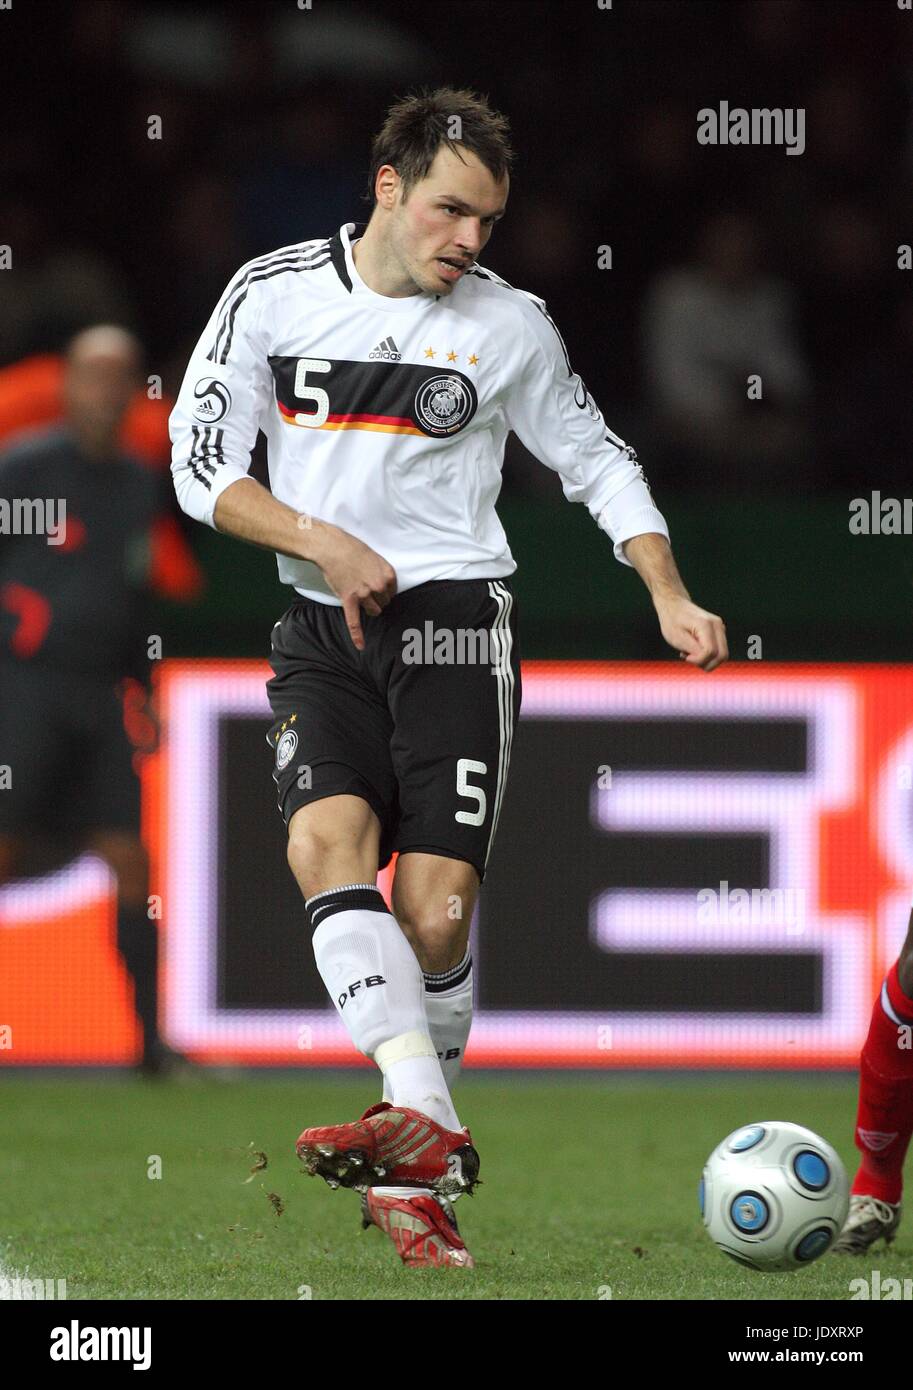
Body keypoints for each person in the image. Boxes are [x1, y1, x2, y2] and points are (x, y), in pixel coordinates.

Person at [169, 87, 728, 1268]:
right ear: (387, 188)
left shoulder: (507, 325)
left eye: (485, 220)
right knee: (323, 845)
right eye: (448, 212)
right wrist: (319, 540)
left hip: (457, 631)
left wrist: (666, 589)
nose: (467, 240)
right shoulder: (271, 293)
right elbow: (198, 463)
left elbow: (594, 458)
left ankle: (421, 1147)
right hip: (322, 624)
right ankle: (428, 1157)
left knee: (431, 912)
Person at [0, 326, 185, 1076]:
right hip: (25, 686)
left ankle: (151, 1049)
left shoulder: (140, 481)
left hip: (100, 694)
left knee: (129, 860)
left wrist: (145, 684)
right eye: (94, 376)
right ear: (68, 383)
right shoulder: (24, 468)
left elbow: (140, 592)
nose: (107, 393)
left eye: (121, 378)